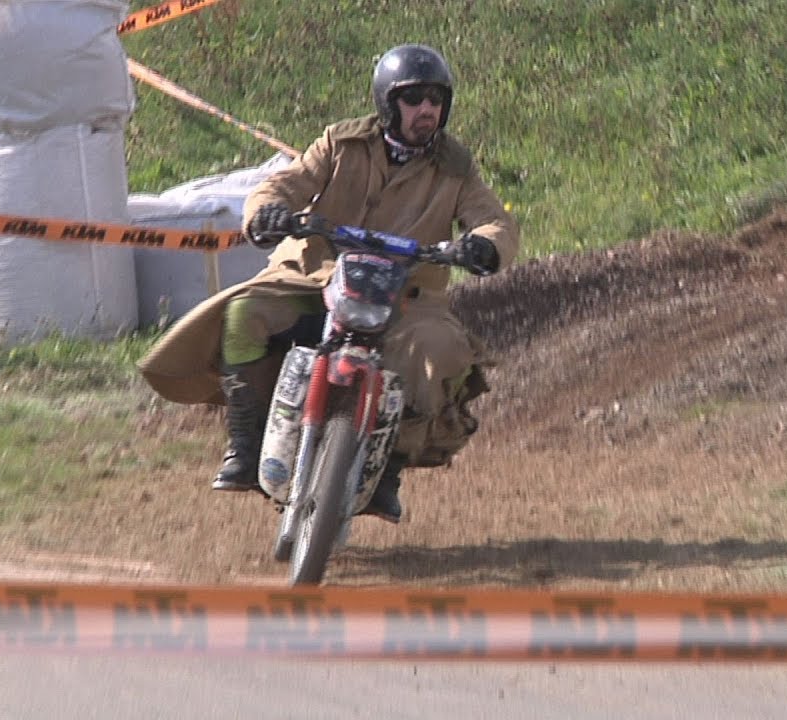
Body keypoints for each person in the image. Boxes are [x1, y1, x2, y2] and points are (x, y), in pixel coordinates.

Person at [139, 43, 519, 523]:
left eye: (436, 99)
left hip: (407, 295)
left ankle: (388, 470)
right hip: (313, 276)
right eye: (413, 97)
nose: (427, 109)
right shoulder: (340, 144)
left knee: (438, 348)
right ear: (386, 103)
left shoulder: (456, 167)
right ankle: (247, 441)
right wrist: (267, 213)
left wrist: (484, 245)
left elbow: (493, 221)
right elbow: (282, 185)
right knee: (244, 313)